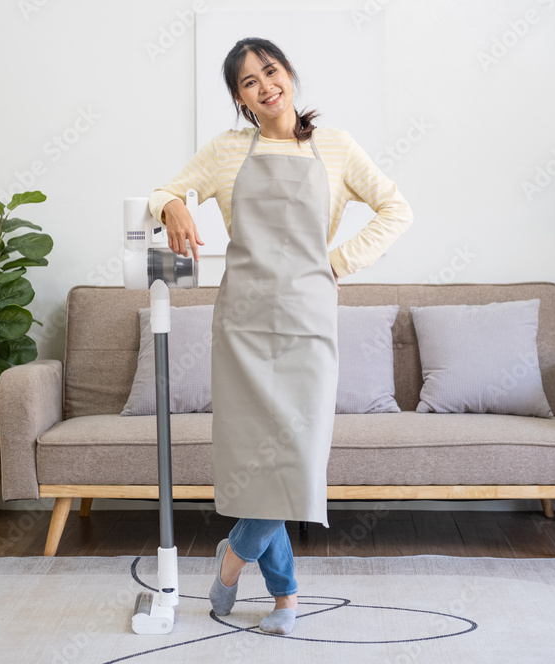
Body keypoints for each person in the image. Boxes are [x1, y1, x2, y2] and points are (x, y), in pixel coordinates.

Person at [148, 37, 413, 635]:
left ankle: (233, 558)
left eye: (270, 71)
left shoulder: (337, 148)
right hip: (243, 321)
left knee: (297, 459)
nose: (265, 85)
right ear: (240, 99)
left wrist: (337, 262)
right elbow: (162, 191)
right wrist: (172, 207)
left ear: (289, 74)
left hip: (308, 320)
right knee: (251, 468)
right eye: (249, 81)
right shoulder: (223, 153)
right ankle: (287, 598)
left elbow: (397, 209)